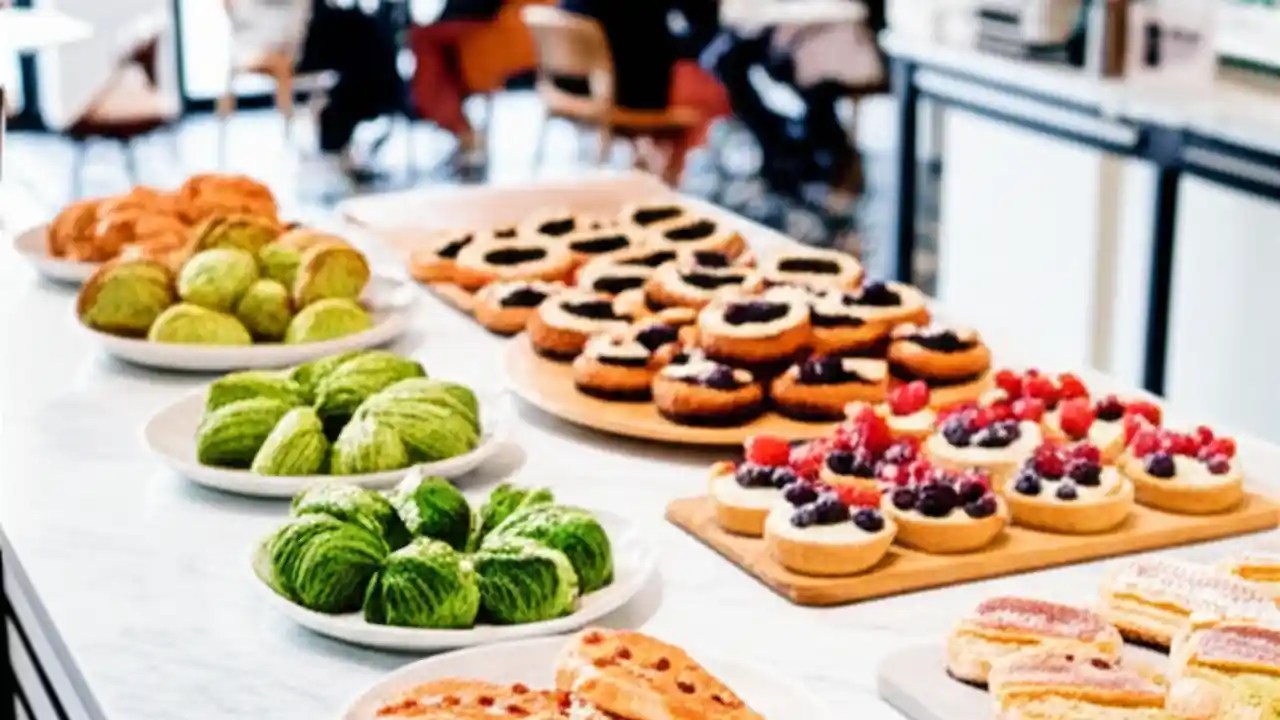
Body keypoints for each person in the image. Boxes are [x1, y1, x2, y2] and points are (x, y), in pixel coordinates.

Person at [225, 0, 404, 180]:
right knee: (367, 37)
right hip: (280, 40)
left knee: (369, 37)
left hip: (298, 28)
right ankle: (371, 111)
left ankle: (346, 122)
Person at [408, 0, 547, 168]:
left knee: (427, 45)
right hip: (529, 33)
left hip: (503, 37)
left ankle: (462, 131)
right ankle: (462, 131)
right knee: (431, 49)